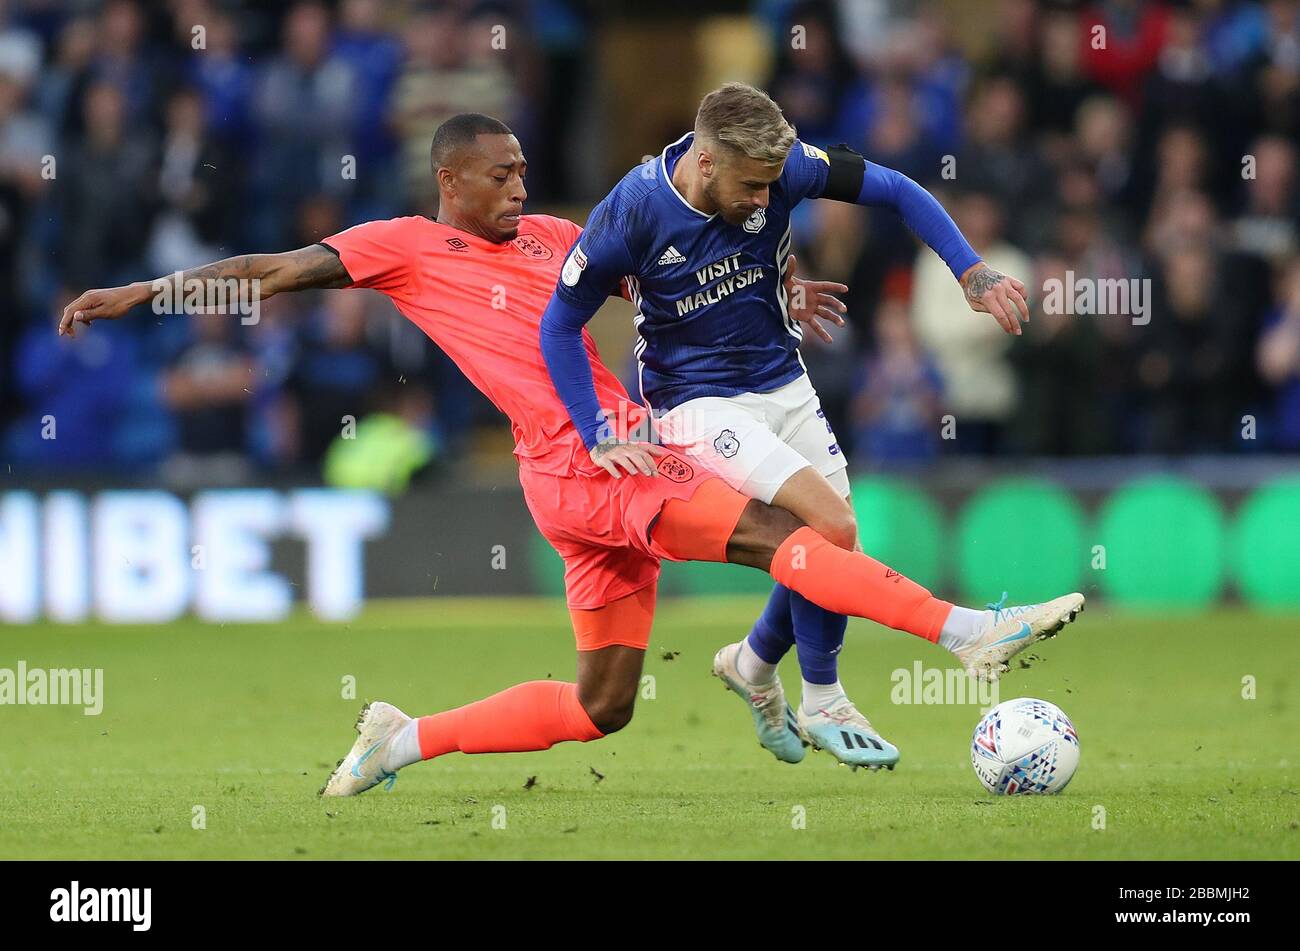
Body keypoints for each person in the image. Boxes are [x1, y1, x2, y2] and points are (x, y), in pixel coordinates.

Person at [58, 114, 1082, 797]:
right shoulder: (405, 246)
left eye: (520, 170)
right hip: (595, 461)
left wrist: (776, 299)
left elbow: (675, 287)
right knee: (784, 533)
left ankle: (399, 739)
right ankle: (961, 633)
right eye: (498, 173)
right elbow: (272, 271)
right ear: (449, 180)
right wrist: (145, 294)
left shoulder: (558, 237)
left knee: (603, 709)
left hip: (594, 472)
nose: (517, 184)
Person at [540, 83, 1062, 769]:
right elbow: (559, 324)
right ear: (703, 161)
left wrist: (969, 269)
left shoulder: (788, 167)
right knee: (829, 527)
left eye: (770, 186)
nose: (765, 199)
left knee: (834, 536)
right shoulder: (630, 211)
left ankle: (754, 663)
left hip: (784, 378)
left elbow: (899, 190)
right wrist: (596, 428)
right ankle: (834, 689)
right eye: (751, 186)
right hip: (697, 402)